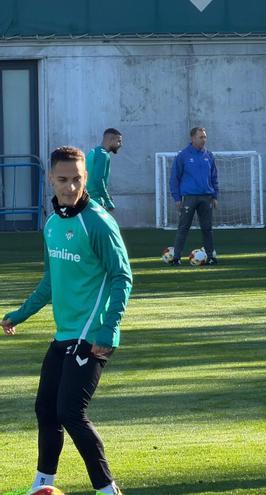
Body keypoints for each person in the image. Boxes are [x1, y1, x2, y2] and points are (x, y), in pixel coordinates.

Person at [2, 146, 132, 495]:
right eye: (63, 180)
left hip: (93, 334)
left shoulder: (99, 222)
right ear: (50, 179)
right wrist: (21, 313)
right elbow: (50, 281)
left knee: (70, 412)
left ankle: (108, 490)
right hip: (65, 334)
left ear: (85, 178)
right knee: (46, 409)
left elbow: (122, 276)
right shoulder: (51, 224)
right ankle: (42, 485)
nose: (70, 187)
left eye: (77, 179)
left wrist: (109, 327)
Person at [168, 127, 219, 266]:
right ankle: (176, 257)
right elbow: (174, 178)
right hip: (189, 197)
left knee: (207, 228)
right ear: (193, 138)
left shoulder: (209, 155)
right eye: (201, 137)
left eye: (205, 137)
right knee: (183, 227)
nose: (204, 140)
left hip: (206, 197)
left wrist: (215, 195)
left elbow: (214, 177)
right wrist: (177, 198)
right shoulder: (183, 156)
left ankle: (211, 257)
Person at [85, 128, 123, 212]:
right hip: (95, 201)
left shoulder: (94, 152)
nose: (121, 144)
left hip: (87, 199)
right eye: (119, 141)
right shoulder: (103, 155)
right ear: (111, 139)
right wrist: (107, 200)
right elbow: (98, 179)